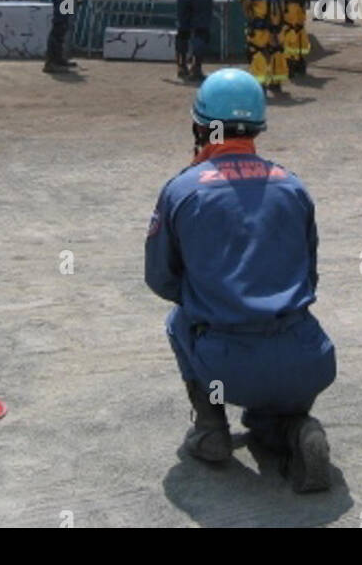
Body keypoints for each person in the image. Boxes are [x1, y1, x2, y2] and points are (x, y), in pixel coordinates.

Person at [144, 69, 336, 493]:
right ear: (259, 127)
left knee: (179, 321)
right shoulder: (293, 186)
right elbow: (310, 275)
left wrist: (211, 298)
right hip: (308, 359)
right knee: (271, 407)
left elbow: (161, 280)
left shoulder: (182, 190)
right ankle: (292, 429)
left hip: (226, 365)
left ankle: (212, 429)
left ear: (201, 126)